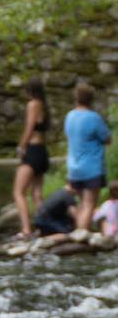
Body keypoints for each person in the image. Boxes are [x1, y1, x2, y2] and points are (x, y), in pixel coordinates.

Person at [64, 82, 110, 231]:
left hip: (73, 168)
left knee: (82, 203)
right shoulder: (93, 118)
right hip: (91, 168)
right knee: (90, 203)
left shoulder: (69, 116)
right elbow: (107, 139)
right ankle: (81, 234)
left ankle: (82, 231)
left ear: (76, 98)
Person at [12, 88, 51, 238]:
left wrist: (21, 146)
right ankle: (44, 227)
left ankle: (26, 229)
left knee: (18, 192)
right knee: (36, 193)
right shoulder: (44, 106)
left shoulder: (33, 104)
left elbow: (29, 128)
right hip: (42, 151)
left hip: (33, 150)